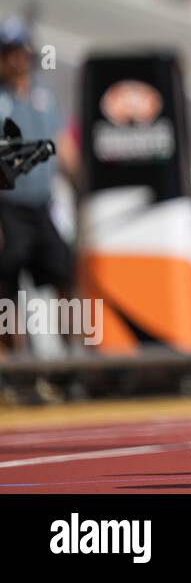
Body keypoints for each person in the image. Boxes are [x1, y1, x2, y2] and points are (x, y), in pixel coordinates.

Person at [0, 18, 79, 353]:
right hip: (7, 208)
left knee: (64, 273)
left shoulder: (44, 98)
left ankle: (77, 353)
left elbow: (64, 148)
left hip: (42, 206)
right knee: (5, 288)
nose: (17, 60)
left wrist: (84, 190)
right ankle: (13, 362)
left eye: (20, 51)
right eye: (9, 53)